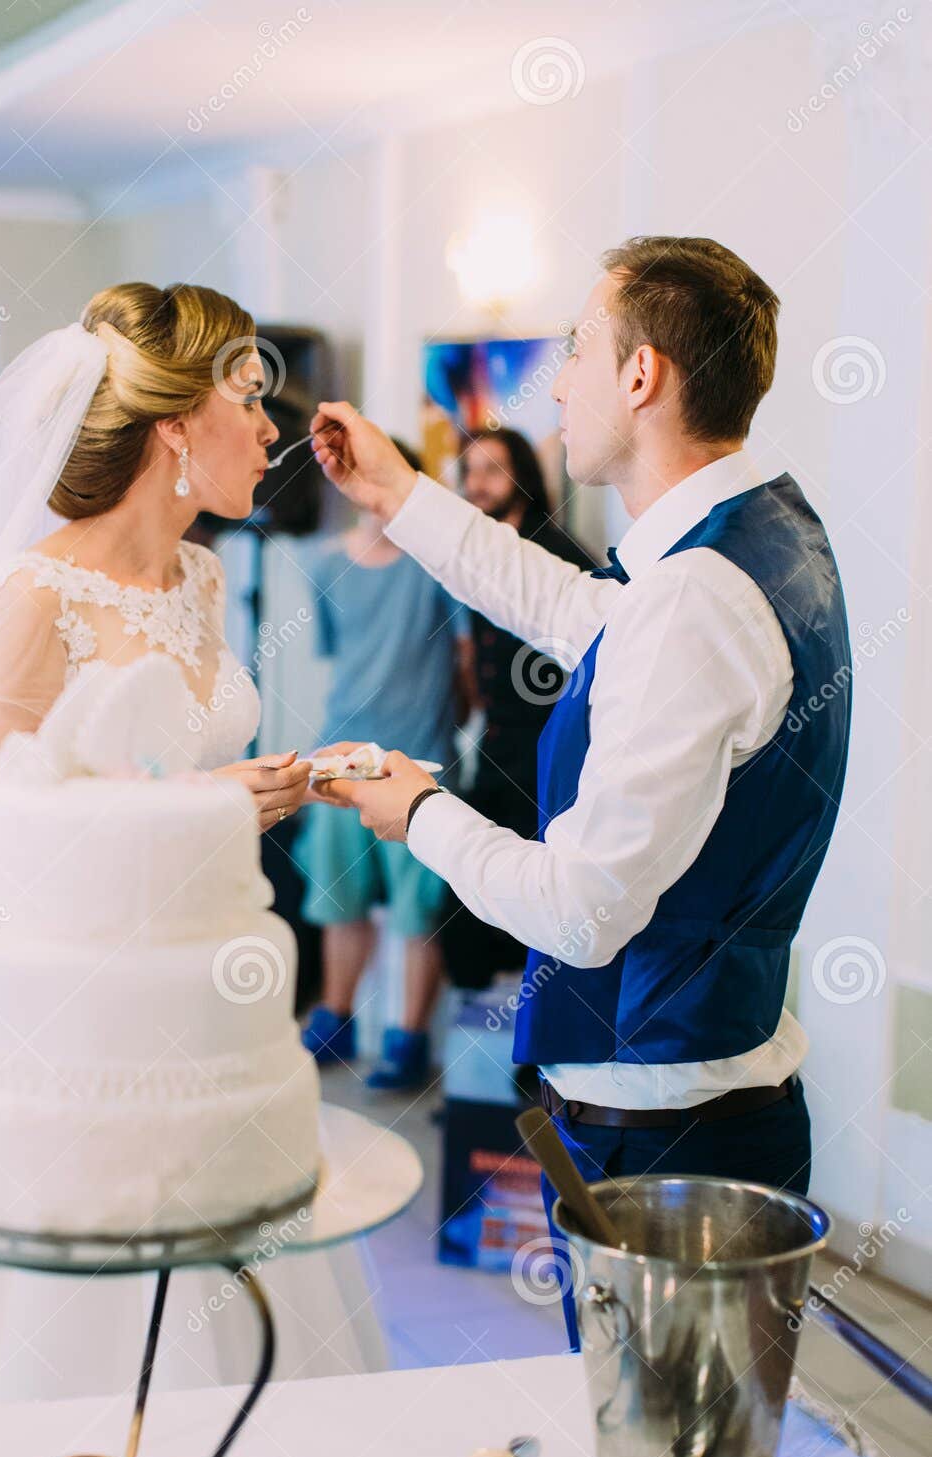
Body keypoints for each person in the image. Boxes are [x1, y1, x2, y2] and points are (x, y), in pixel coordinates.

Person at [309, 236, 852, 1349]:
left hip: (664, 1139)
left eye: (574, 350)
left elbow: (581, 912)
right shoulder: (754, 537)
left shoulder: (697, 594)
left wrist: (414, 809)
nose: (555, 382)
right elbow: (572, 613)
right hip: (705, 1104)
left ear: (640, 375)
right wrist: (399, 495)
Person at [0, 282, 386, 1403]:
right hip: (77, 1032)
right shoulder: (32, 593)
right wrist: (208, 803)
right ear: (173, 427)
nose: (270, 429)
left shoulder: (201, 578)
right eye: (248, 400)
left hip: (209, 1000)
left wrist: (279, 785)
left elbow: (169, 768)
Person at [298, 442, 463, 1090]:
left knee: (417, 912)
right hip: (342, 755)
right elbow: (336, 653)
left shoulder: (437, 569)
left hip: (420, 757)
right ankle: (333, 1022)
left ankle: (409, 1039)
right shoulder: (322, 564)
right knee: (340, 900)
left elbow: (462, 659)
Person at [444, 428, 596, 989]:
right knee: (473, 896)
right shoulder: (478, 556)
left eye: (491, 469)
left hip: (549, 751)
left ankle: (531, 1058)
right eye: (470, 471)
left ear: (522, 478)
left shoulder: (557, 555)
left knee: (538, 900)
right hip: (498, 742)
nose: (476, 483)